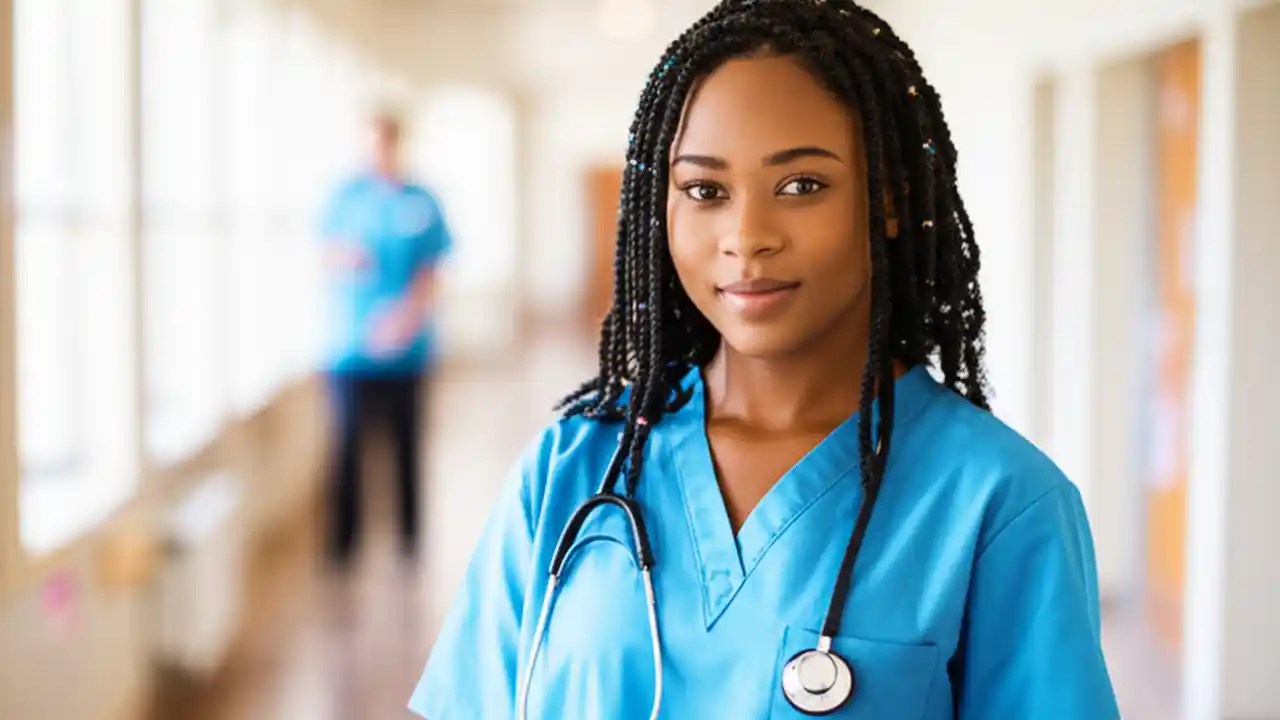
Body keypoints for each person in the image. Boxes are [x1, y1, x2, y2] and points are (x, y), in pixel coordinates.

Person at [410, 1, 1118, 717]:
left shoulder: (999, 503)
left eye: (802, 186)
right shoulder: (570, 468)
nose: (746, 237)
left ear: (892, 202)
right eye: (705, 191)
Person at [319, 111, 451, 566]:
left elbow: (433, 269)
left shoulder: (422, 201)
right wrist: (345, 257)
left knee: (406, 447)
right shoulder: (345, 197)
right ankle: (343, 546)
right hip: (351, 351)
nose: (380, 152)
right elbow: (324, 250)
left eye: (387, 143)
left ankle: (409, 543)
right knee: (348, 449)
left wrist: (405, 317)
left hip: (407, 351)